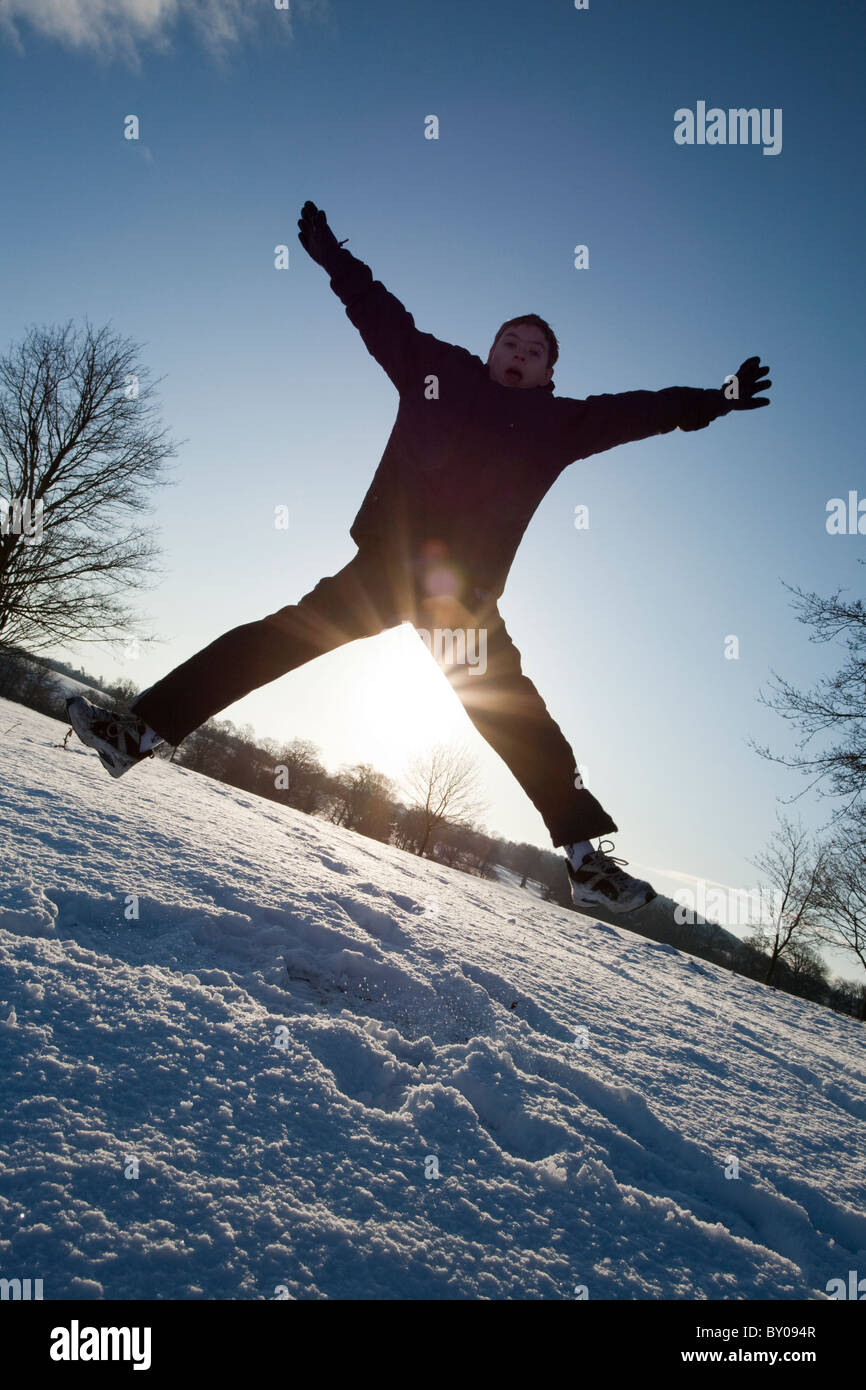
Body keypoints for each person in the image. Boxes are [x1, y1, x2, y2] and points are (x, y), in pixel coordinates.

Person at [66, 200, 772, 914]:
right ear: (491, 348)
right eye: (508, 341)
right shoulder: (436, 370)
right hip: (384, 571)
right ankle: (137, 732)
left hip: (459, 599)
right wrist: (334, 258)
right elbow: (380, 314)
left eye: (533, 350)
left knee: (515, 717)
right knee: (270, 643)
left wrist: (713, 399)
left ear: (550, 371)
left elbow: (640, 410)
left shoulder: (561, 425)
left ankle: (586, 863)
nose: (517, 353)